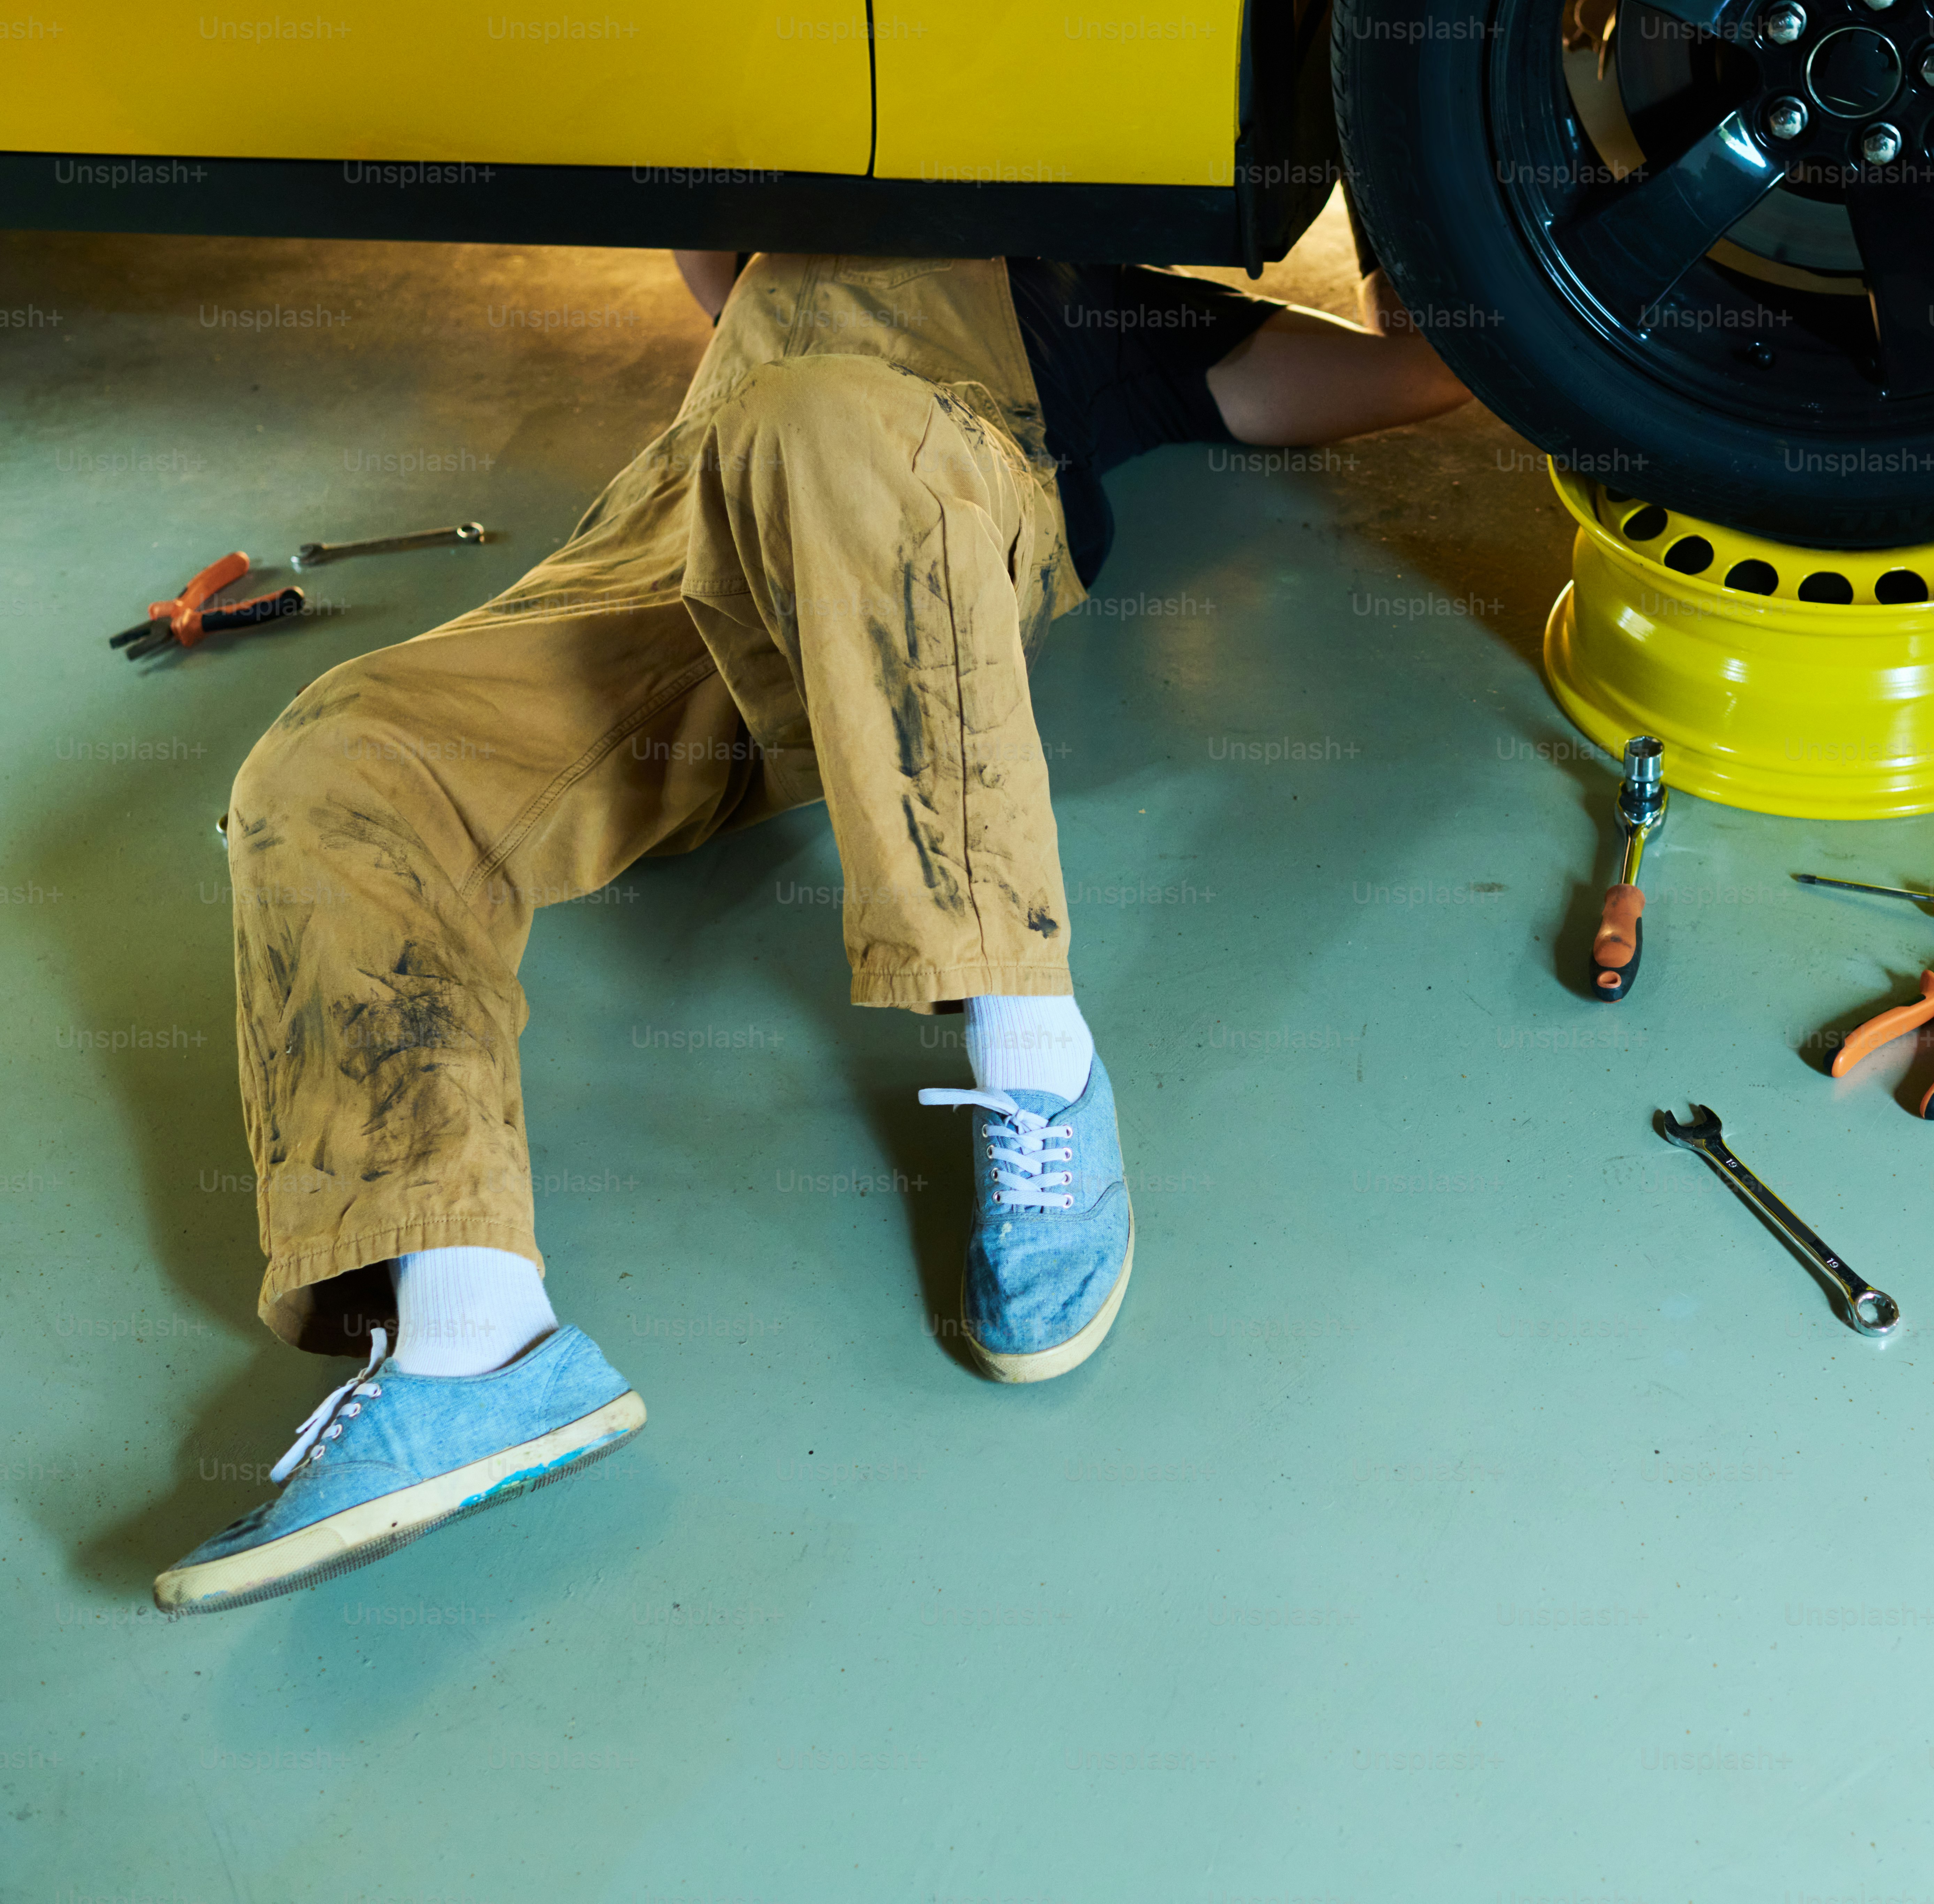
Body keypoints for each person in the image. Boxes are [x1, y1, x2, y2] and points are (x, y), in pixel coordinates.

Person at [152, 237, 1470, 1613]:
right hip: (669, 557)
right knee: (338, 757)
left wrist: (1407, 193)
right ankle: (475, 1338)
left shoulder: (1104, 294)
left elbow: (1425, 372)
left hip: (910, 550)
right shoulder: (770, 255)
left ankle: (1037, 1058)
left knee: (820, 417)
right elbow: (717, 241)